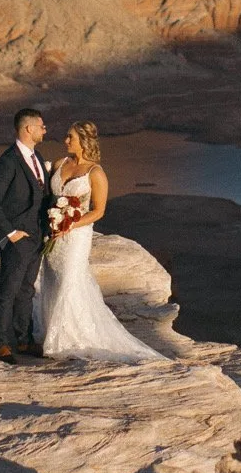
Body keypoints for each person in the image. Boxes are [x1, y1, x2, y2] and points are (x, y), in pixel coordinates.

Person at [34, 122, 163, 362]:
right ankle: (51, 332)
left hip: (75, 237)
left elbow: (99, 210)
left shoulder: (95, 173)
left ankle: (67, 339)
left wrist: (69, 224)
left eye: (70, 136)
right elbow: (49, 197)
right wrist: (52, 222)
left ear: (83, 141)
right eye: (66, 136)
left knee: (70, 281)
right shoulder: (60, 164)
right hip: (54, 233)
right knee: (51, 280)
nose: (65, 140)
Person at [0, 107, 50, 362]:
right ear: (28, 129)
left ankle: (24, 340)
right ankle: (0, 343)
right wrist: (10, 233)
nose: (45, 130)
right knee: (8, 290)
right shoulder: (7, 162)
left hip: (37, 236)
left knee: (26, 290)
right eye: (42, 126)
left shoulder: (36, 156)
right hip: (17, 238)